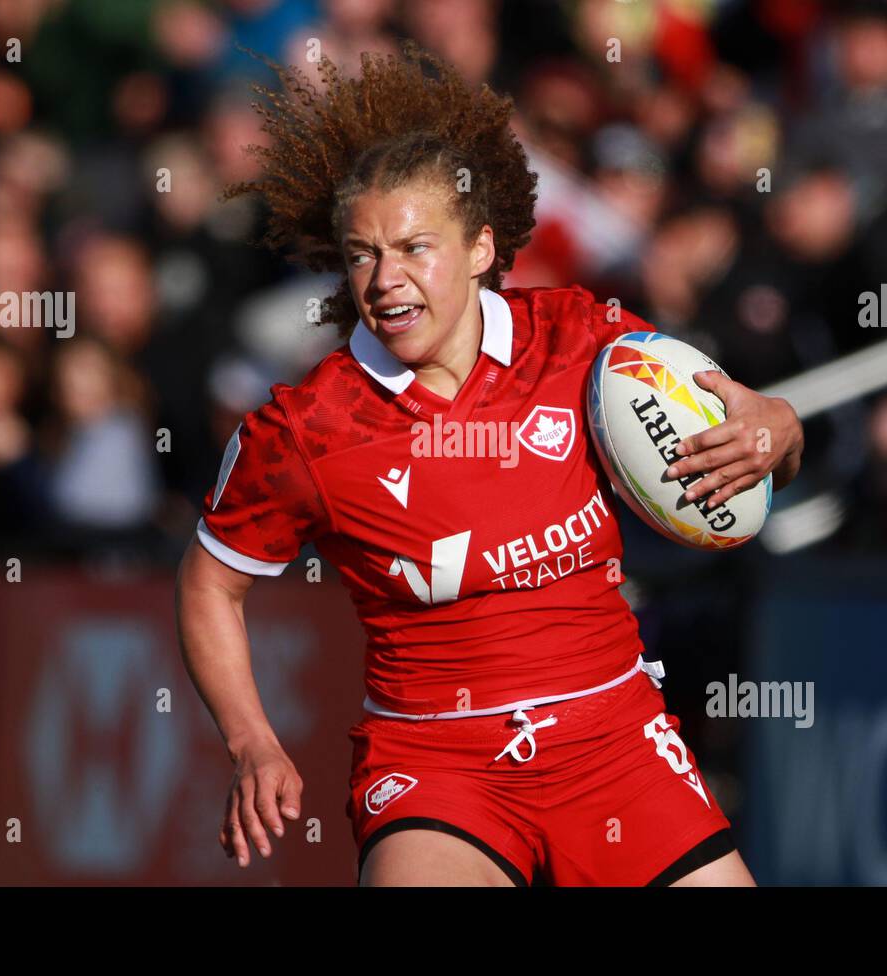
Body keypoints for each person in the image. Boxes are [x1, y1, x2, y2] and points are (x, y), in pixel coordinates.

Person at [175, 41, 803, 886]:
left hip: (612, 741)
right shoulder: (306, 429)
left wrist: (776, 423)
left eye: (413, 247)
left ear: (480, 248)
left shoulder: (585, 341)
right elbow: (210, 582)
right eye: (362, 254)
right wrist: (252, 743)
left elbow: (761, 442)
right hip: (437, 765)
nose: (385, 279)